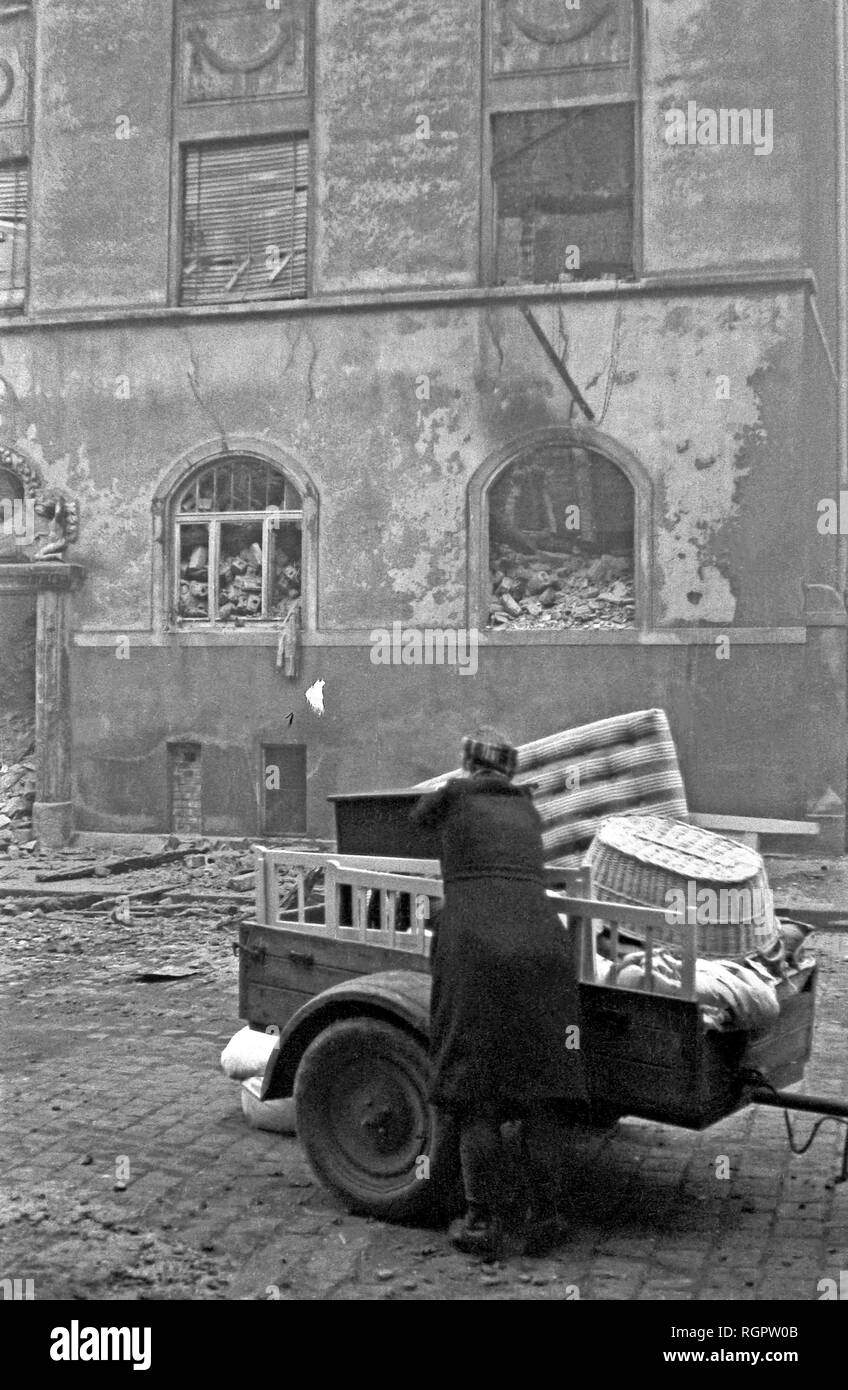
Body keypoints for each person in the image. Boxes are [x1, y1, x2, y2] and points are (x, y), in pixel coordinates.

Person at [411, 727, 588, 1260]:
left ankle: (482, 1223)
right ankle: (546, 1220)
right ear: (510, 771)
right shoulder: (528, 807)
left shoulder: (452, 796)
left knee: (477, 1095)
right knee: (538, 1093)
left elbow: (415, 821)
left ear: (468, 765)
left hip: (477, 949)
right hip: (544, 946)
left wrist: (452, 785)